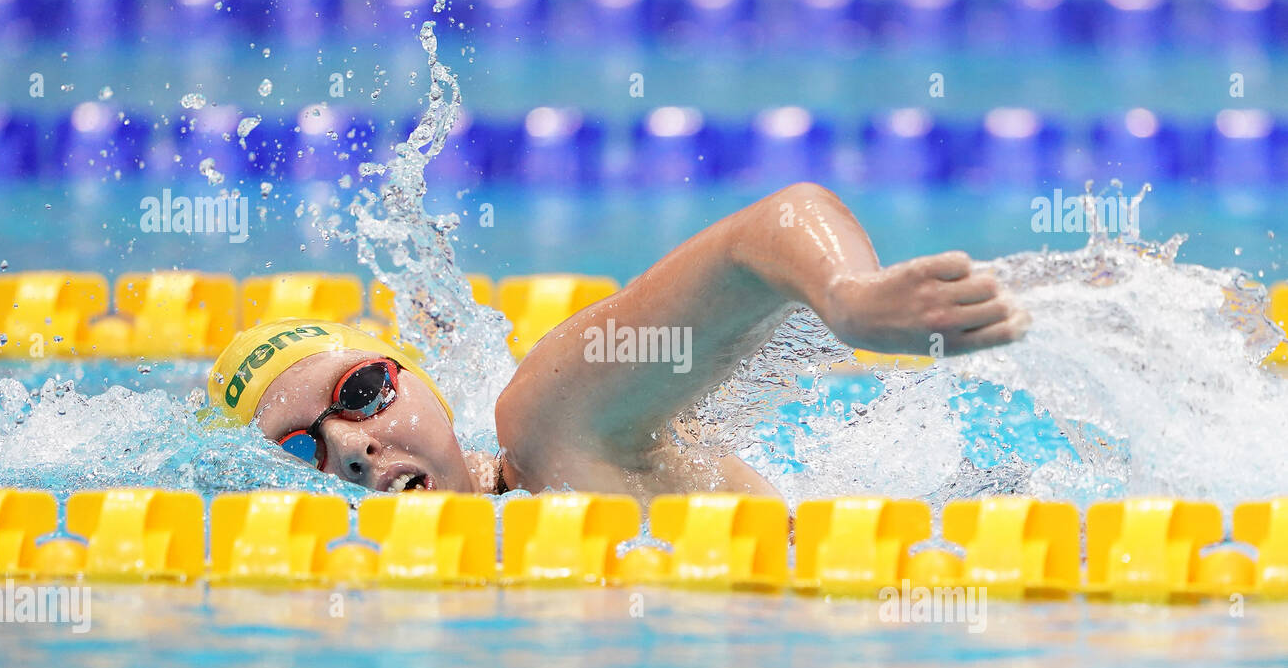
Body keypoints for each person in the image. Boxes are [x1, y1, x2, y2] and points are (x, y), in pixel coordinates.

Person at [207, 183, 1030, 500]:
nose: (351, 448)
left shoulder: (548, 431)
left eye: (359, 392)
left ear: (419, 380)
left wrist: (849, 299)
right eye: (298, 449)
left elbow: (763, 232)